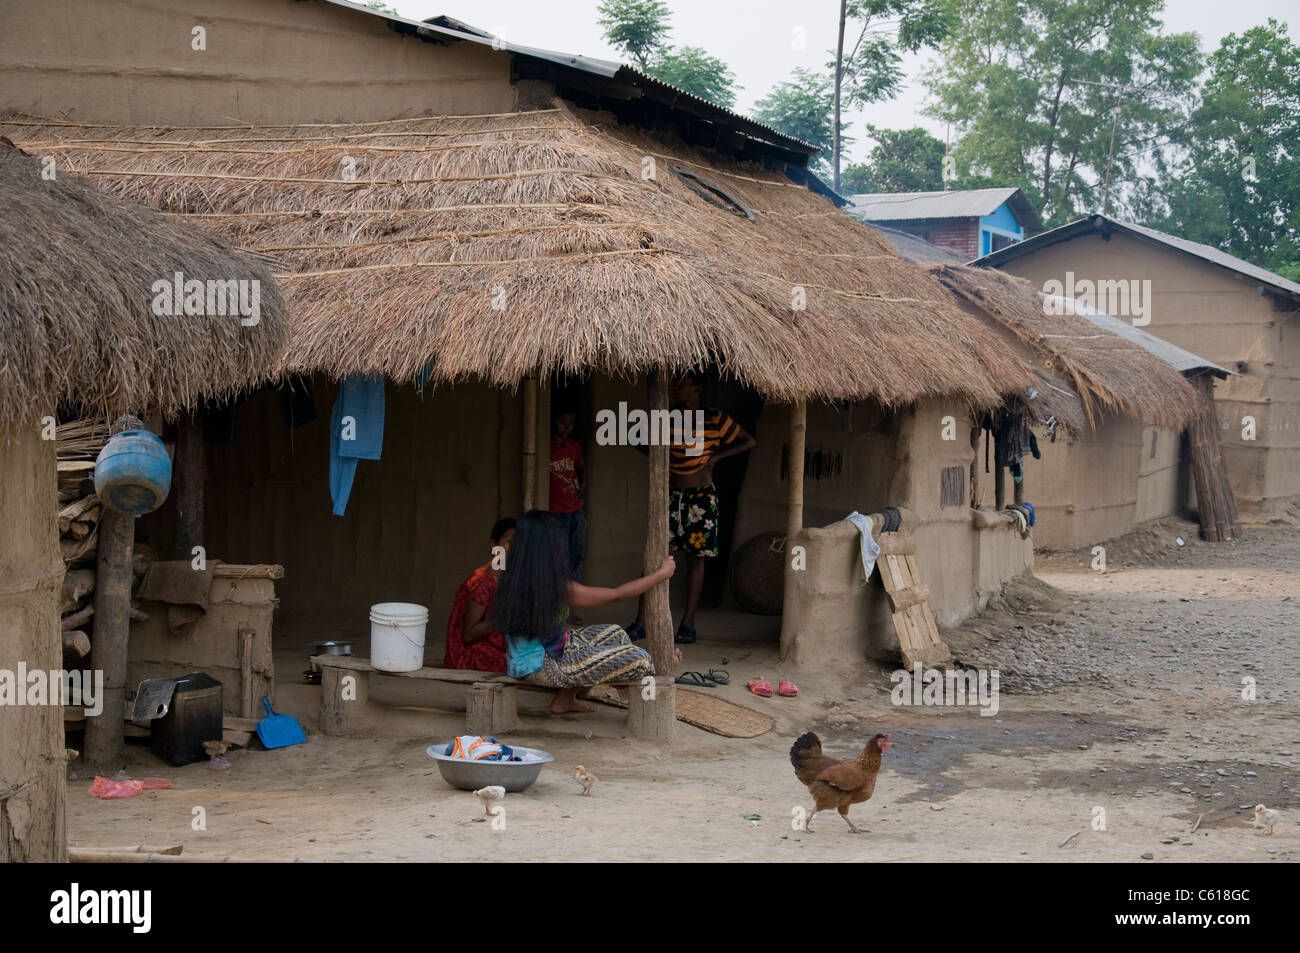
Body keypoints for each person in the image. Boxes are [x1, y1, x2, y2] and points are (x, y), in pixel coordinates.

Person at [494, 510, 674, 714]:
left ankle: (566, 700)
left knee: (615, 634)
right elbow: (617, 594)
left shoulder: (511, 576)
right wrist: (661, 574)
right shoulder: (556, 587)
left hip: (539, 657)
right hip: (544, 668)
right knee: (641, 659)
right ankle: (647, 711)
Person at [630, 374, 754, 644]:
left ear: (697, 389)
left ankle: (688, 622)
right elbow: (635, 438)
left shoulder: (714, 419)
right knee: (655, 555)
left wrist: (716, 458)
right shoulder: (668, 417)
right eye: (675, 384)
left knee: (696, 559)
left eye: (681, 384)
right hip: (671, 495)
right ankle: (641, 622)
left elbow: (748, 441)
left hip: (701, 498)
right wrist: (658, 457)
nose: (675, 388)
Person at [443, 518, 516, 672]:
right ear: (494, 545)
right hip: (469, 652)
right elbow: (469, 634)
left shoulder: (508, 577)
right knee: (521, 667)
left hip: (492, 642)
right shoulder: (483, 582)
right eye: (510, 542)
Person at [548, 409, 586, 583]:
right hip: (555, 512)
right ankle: (561, 600)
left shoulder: (573, 446)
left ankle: (575, 595)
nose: (566, 427)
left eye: (571, 423)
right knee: (559, 557)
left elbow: (580, 468)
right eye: (562, 422)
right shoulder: (546, 447)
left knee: (576, 554)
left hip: (576, 509)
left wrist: (582, 485)